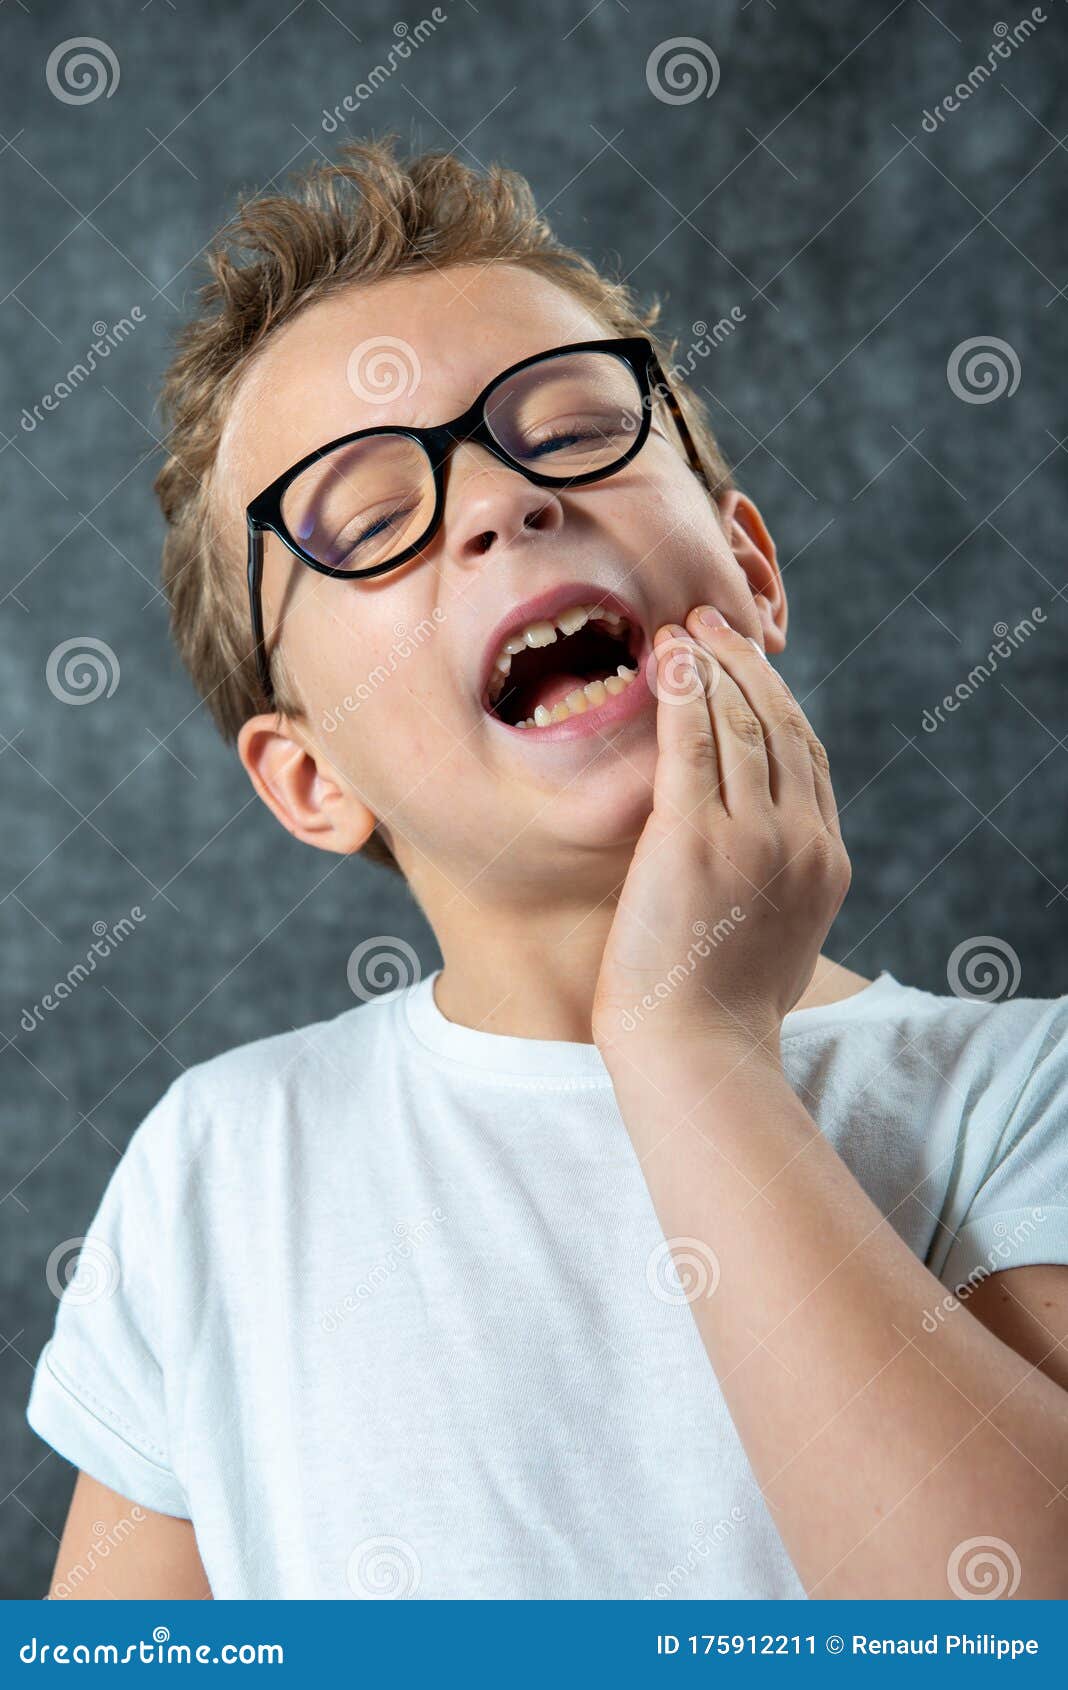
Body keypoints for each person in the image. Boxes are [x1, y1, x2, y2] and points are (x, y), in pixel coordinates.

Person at [27, 138, 1068, 1601]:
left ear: (751, 574)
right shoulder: (222, 1171)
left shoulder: (1029, 1096)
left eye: (574, 429)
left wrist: (691, 1043)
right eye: (371, 521)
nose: (502, 504)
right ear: (312, 777)